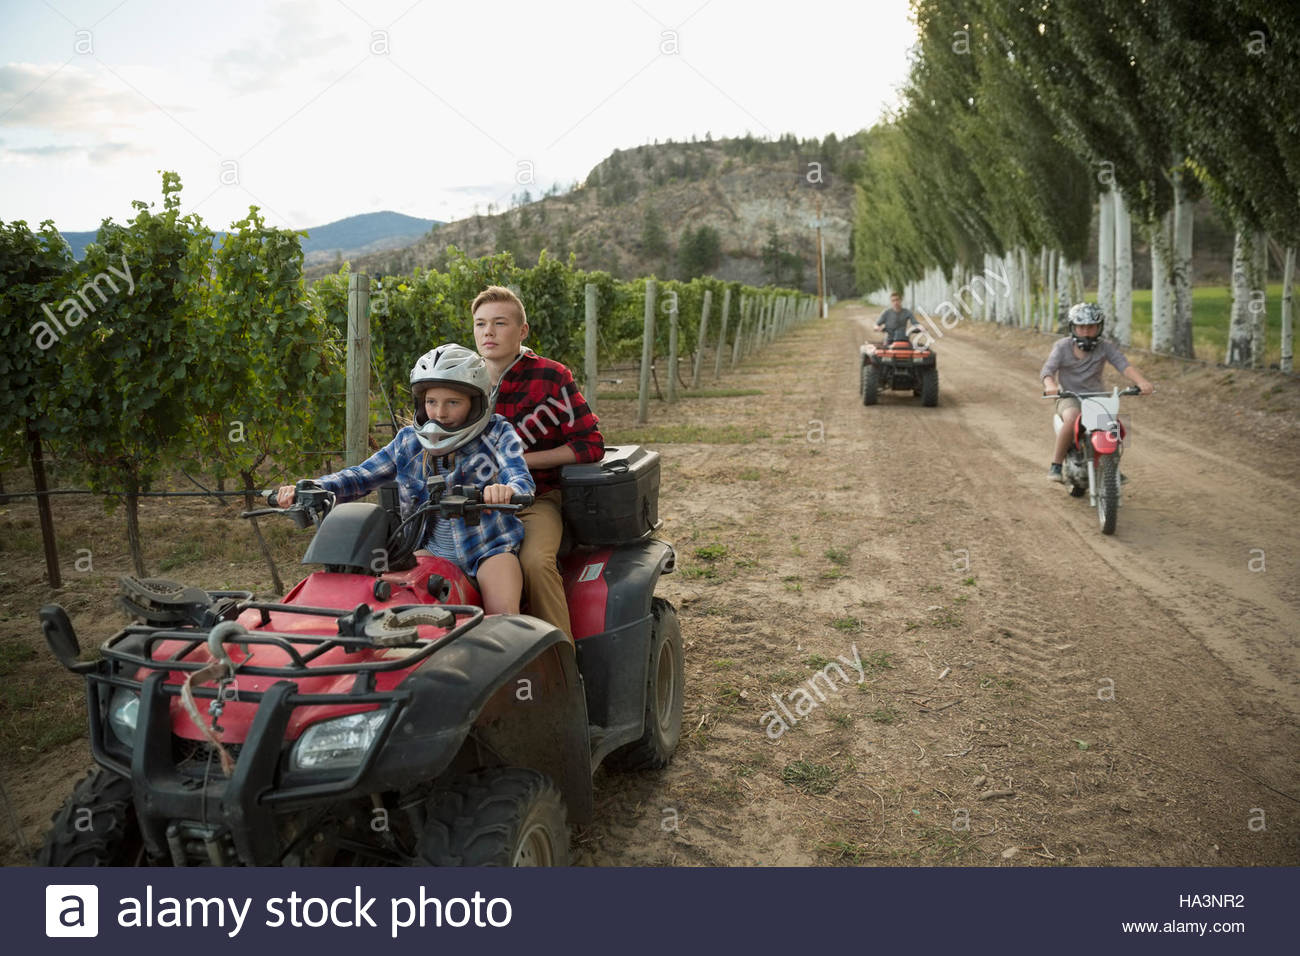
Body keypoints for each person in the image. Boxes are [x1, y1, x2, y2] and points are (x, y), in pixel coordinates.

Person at [276, 344, 534, 614]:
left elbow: (519, 477)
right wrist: (316, 487)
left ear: (475, 404)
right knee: (395, 608)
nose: (439, 413)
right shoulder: (408, 442)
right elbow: (360, 476)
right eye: (431, 402)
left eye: (453, 402)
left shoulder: (498, 433)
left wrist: (505, 490)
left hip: (487, 550)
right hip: (428, 551)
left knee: (502, 616)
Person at [470, 286, 604, 639]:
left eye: (500, 323)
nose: (489, 332)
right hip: (470, 501)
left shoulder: (551, 376)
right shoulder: (461, 379)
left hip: (535, 499)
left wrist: (521, 461)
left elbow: (590, 446)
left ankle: (561, 664)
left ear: (522, 330)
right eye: (481, 324)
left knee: (534, 563)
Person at [1041, 303, 1154, 482]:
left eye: (1091, 327)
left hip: (1097, 396)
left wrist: (1141, 382)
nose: (1086, 332)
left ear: (1099, 327)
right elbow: (1048, 370)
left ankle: (1112, 465)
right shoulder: (1062, 346)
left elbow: (1123, 365)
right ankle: (1056, 465)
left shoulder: (1105, 347)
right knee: (1072, 418)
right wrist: (1050, 385)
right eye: (1082, 327)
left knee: (1114, 424)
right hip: (1069, 396)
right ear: (1073, 327)